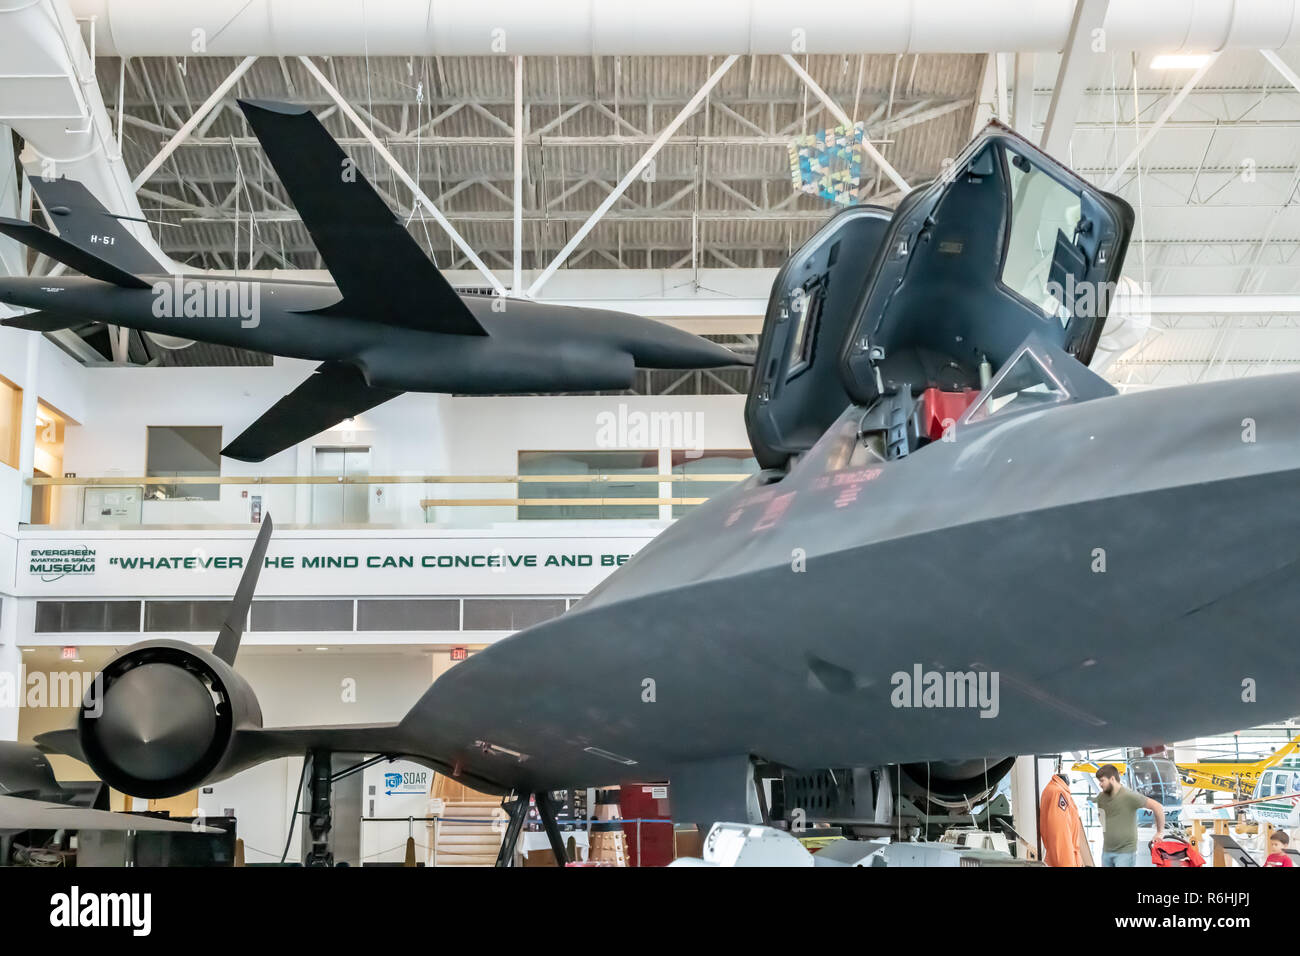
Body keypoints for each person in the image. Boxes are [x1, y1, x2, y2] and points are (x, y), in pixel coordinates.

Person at [1093, 763, 1164, 867]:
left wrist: (1159, 832)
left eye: (1102, 781)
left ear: (1112, 779)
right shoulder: (1101, 797)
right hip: (1107, 850)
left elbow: (1157, 807)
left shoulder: (1129, 796)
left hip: (1125, 852)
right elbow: (1101, 816)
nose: (1100, 784)